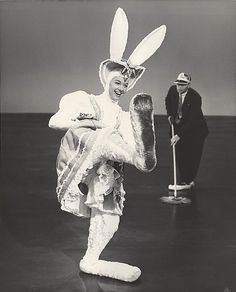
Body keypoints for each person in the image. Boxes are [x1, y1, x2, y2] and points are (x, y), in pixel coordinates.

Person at [49, 8, 166, 282]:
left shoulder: (122, 115)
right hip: (81, 153)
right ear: (107, 77)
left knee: (110, 219)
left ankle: (91, 261)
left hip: (106, 170)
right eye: (119, 79)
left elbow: (125, 139)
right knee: (104, 136)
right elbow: (56, 122)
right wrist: (88, 119)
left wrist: (134, 140)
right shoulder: (85, 98)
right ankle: (140, 159)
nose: (123, 85)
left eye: (127, 82)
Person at [165, 72, 209, 191]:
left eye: (182, 85)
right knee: (180, 153)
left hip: (196, 131)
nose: (179, 87)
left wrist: (178, 136)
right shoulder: (172, 90)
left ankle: (187, 181)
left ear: (188, 85)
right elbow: (168, 102)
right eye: (178, 84)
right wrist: (169, 115)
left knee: (191, 155)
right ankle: (184, 179)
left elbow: (193, 121)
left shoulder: (195, 97)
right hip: (180, 126)